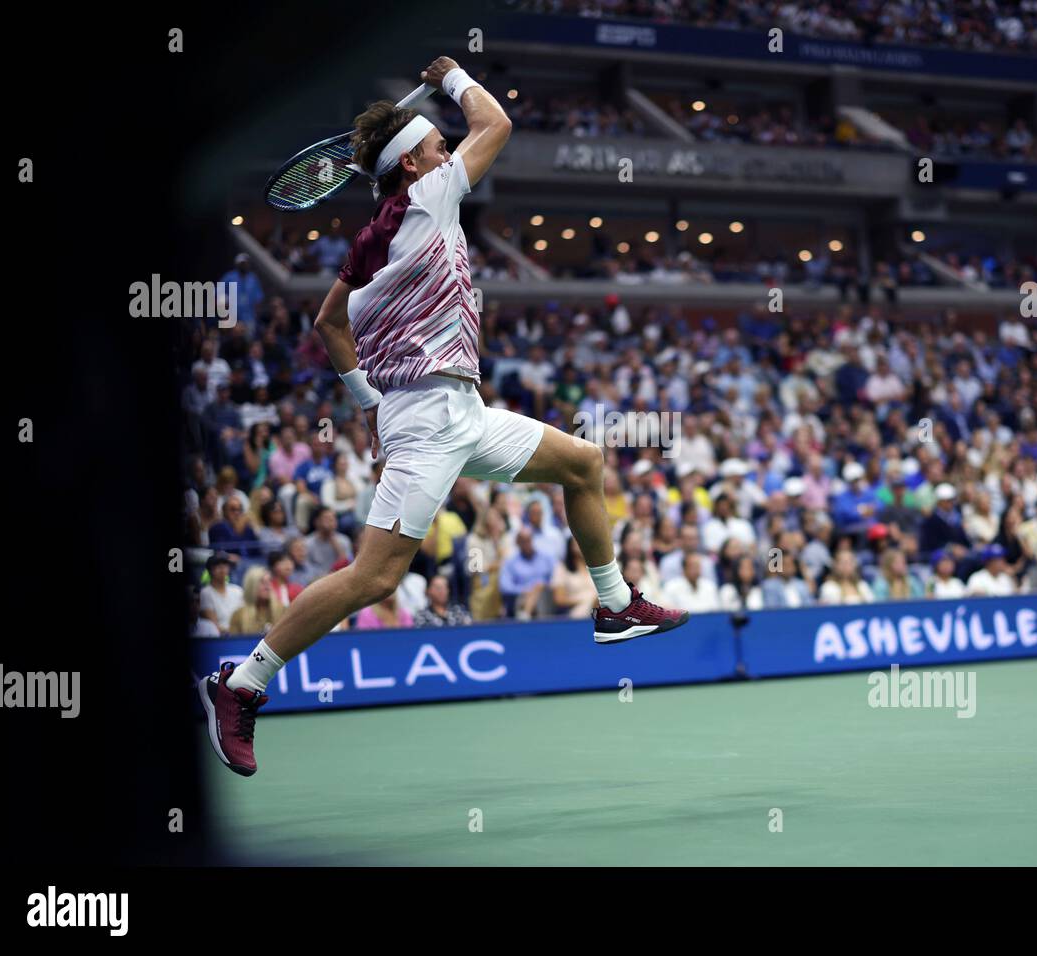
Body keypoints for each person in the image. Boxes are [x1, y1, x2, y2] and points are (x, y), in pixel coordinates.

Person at [200, 57, 689, 777]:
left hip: (458, 407)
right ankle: (240, 683)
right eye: (435, 147)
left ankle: (615, 605)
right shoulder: (429, 197)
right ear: (412, 168)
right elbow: (497, 122)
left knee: (583, 462)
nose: (446, 153)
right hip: (426, 419)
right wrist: (456, 76)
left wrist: (365, 404)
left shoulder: (374, 237)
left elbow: (330, 323)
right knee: (374, 578)